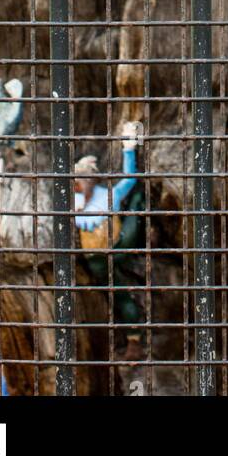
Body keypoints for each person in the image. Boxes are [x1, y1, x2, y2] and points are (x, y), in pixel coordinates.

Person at [74, 121, 144, 358]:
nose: (85, 183)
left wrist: (128, 148)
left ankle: (134, 341)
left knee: (136, 202)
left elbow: (130, 179)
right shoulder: (73, 204)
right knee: (117, 296)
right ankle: (126, 340)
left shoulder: (107, 196)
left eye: (89, 178)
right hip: (97, 259)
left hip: (118, 246)